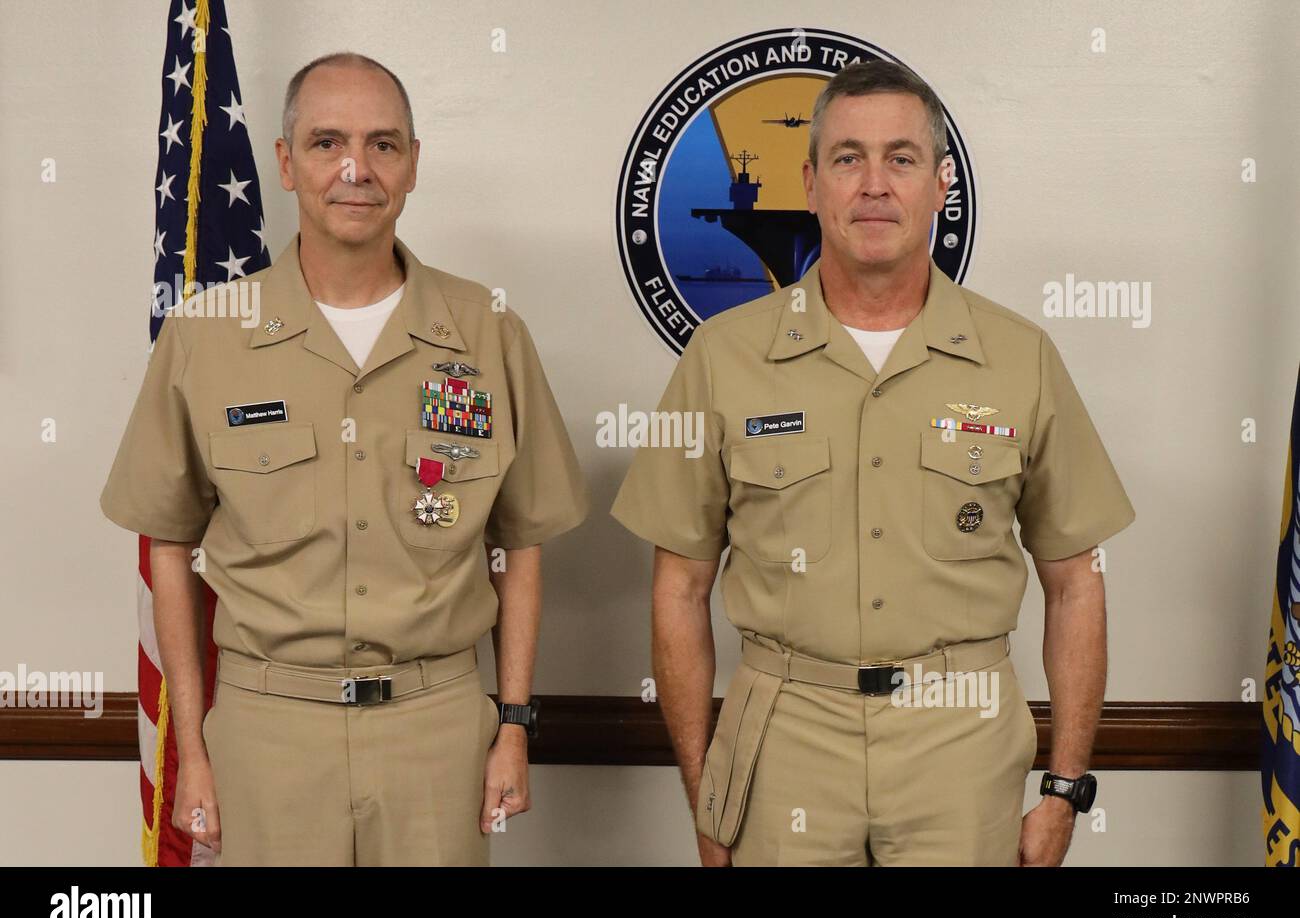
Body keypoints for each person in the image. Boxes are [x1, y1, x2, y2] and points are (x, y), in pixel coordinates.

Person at [611, 60, 1135, 866]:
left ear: (941, 184)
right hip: (783, 741)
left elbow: (1076, 581)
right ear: (811, 183)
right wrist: (705, 793)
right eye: (848, 158)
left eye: (902, 158)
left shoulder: (1021, 359)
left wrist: (1065, 788)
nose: (875, 184)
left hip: (959, 743)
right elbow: (677, 587)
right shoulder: (723, 358)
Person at [100, 52, 587, 865]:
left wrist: (513, 723)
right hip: (267, 733)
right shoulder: (206, 337)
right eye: (328, 143)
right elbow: (170, 551)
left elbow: (523, 542)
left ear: (414, 164)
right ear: (287, 164)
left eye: (383, 145)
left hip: (436, 731)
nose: (356, 169)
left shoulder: (487, 330)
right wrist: (192, 750)